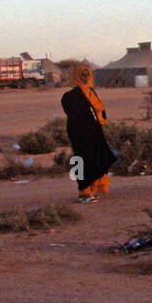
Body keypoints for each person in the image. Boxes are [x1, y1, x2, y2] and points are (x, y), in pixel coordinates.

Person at [60, 64, 116, 203]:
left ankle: (90, 190)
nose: (85, 78)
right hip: (80, 134)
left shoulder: (91, 92)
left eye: (87, 75)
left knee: (98, 159)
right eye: (82, 75)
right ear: (77, 77)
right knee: (82, 161)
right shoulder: (70, 95)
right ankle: (84, 192)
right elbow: (74, 114)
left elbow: (98, 113)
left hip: (95, 132)